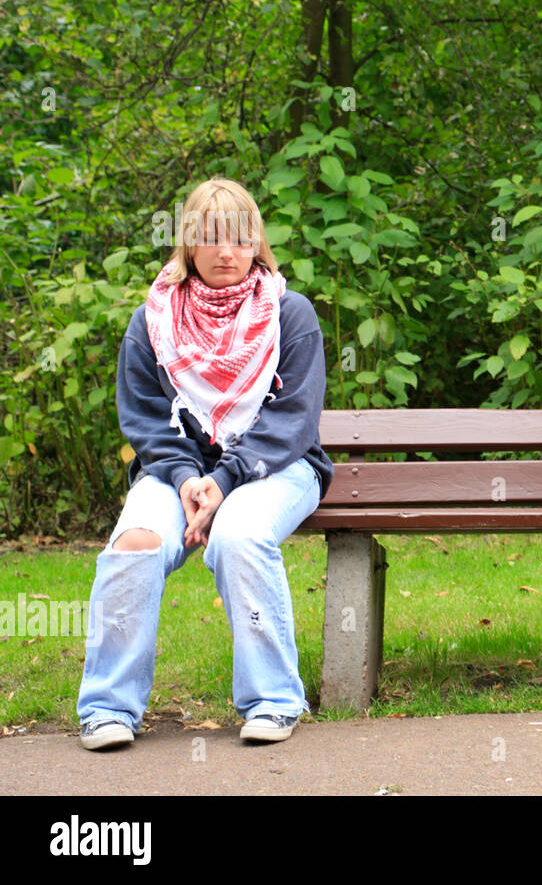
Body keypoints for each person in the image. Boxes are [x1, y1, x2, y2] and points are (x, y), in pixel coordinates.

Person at [77, 179, 333, 751]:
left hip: (277, 467)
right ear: (189, 243)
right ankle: (107, 709)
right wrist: (189, 477)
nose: (227, 253)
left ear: (257, 243)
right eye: (212, 239)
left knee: (240, 535)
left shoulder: (291, 314)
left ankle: (273, 701)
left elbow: (291, 422)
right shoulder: (152, 320)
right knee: (135, 544)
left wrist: (224, 481)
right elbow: (144, 418)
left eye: (241, 239)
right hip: (177, 473)